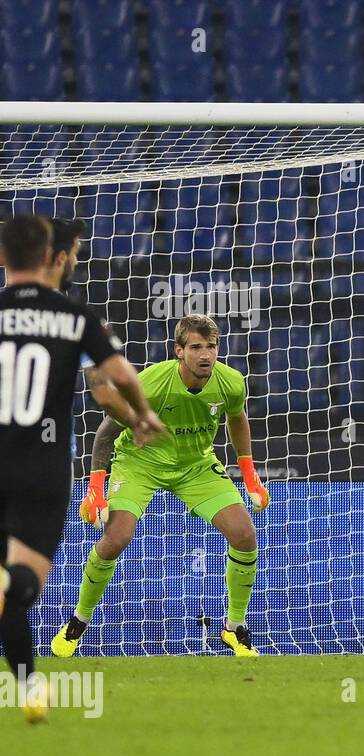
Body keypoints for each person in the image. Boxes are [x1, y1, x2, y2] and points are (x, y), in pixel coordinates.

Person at [0, 215, 163, 721]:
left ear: (3, 258)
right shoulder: (74, 316)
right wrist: (142, 414)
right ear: (52, 256)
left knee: (6, 584)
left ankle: (28, 685)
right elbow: (117, 375)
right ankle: (29, 690)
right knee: (21, 583)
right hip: (43, 468)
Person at [51, 314, 270, 659]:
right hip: (141, 462)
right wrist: (95, 488)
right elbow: (106, 431)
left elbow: (236, 417)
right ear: (178, 351)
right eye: (196, 347)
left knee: (245, 535)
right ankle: (78, 620)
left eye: (211, 347)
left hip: (195, 465)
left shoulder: (231, 382)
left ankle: (234, 628)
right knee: (116, 538)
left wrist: (249, 473)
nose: (205, 355)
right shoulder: (151, 383)